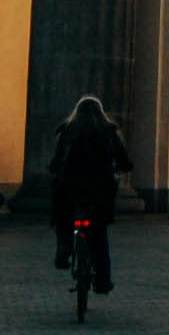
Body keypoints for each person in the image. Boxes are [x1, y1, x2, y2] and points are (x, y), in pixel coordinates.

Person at [48, 95, 133, 295]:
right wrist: (125, 166)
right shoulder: (109, 131)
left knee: (63, 218)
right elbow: (124, 160)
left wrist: (54, 168)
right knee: (99, 234)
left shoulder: (67, 129)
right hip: (99, 189)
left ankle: (65, 245)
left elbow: (57, 160)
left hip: (70, 185)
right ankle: (102, 281)